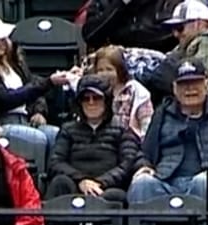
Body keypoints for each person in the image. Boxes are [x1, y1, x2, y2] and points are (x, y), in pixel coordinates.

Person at [129, 59, 208, 206]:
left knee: (204, 183)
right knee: (141, 184)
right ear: (174, 88)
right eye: (183, 84)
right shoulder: (161, 114)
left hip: (203, 183)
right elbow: (144, 153)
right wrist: (144, 166)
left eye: (195, 83)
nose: (189, 89)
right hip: (163, 181)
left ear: (207, 83)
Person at [0, 12, 74, 153]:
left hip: (25, 119)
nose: (5, 42)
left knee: (56, 135)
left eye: (5, 37)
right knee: (38, 139)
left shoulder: (13, 62)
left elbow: (32, 84)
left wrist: (38, 111)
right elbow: (5, 99)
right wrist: (49, 82)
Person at [44, 75, 142, 203]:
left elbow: (127, 164)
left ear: (106, 101)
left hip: (107, 188)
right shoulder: (68, 130)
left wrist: (100, 183)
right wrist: (81, 180)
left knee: (115, 196)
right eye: (86, 99)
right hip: (75, 186)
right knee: (61, 182)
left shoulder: (122, 130)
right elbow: (55, 162)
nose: (91, 102)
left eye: (97, 98)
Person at [90, 45, 154, 139]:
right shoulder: (93, 92)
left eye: (109, 69)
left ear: (119, 69)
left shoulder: (137, 91)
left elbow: (147, 127)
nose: (104, 74)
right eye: (100, 70)